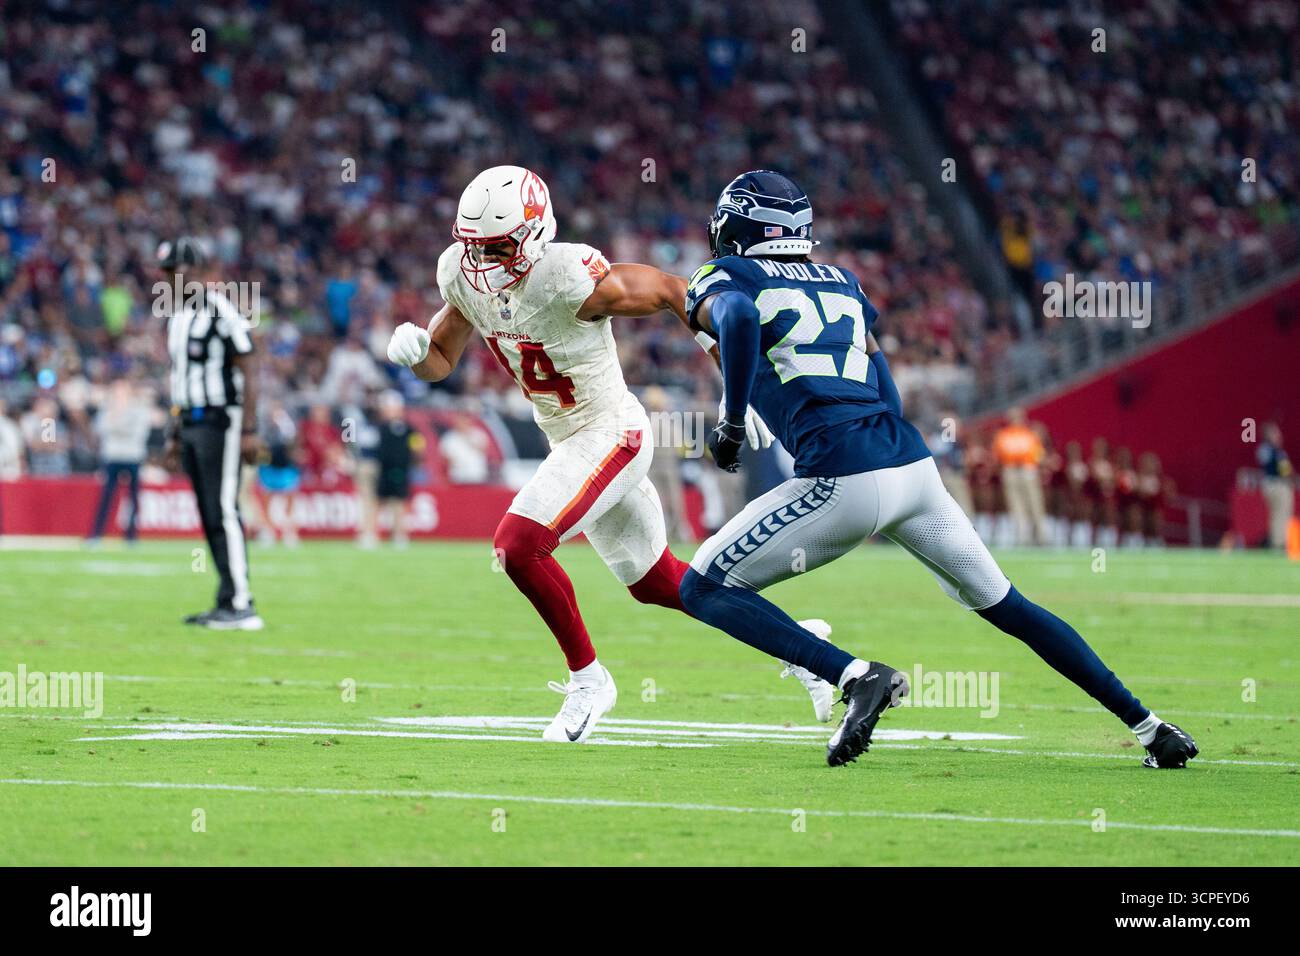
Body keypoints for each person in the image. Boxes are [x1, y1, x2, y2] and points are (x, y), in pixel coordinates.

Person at [676, 170, 1197, 769]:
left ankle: (853, 675)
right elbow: (879, 365)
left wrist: (732, 422)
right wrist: (883, 433)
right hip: (912, 468)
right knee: (1011, 607)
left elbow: (738, 318)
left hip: (842, 477)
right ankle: (1150, 726)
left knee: (704, 586)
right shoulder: (841, 281)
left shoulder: (728, 275)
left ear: (735, 227)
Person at [386, 165, 823, 745]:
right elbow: (440, 360)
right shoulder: (463, 276)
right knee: (661, 583)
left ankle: (588, 680)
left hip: (612, 432)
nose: (482, 261)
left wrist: (741, 391)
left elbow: (676, 292)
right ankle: (805, 648)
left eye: (496, 247)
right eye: (474, 247)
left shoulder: (569, 276)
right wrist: (416, 354)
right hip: (570, 440)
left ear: (535, 234)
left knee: (518, 545)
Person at [158, 236, 265, 630]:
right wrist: (173, 432)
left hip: (222, 418)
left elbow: (250, 366)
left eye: (175, 270)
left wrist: (251, 427)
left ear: (195, 272)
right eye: (166, 272)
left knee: (223, 507)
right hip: (191, 421)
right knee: (208, 511)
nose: (169, 278)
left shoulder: (220, 307)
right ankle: (227, 598)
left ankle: (241, 604)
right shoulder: (177, 316)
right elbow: (179, 380)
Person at [87, 379, 151, 543]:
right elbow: (100, 429)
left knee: (134, 498)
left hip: (132, 456)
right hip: (113, 456)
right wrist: (117, 418)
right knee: (106, 497)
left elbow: (139, 432)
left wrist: (117, 424)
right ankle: (96, 534)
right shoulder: (107, 409)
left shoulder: (139, 409)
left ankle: (131, 535)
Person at [992, 406, 1047, 546]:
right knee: (1016, 504)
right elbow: (998, 455)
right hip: (1011, 470)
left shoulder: (1030, 434)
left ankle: (1041, 534)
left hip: (1027, 469)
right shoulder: (1004, 435)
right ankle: (1023, 535)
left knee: (1035, 502)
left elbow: (1039, 454)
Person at [1258, 422, 1294, 550]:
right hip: (1278, 485)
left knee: (1275, 515)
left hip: (1267, 485)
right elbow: (1285, 471)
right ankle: (1280, 543)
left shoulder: (1263, 449)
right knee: (1282, 514)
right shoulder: (1276, 452)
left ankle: (1275, 541)